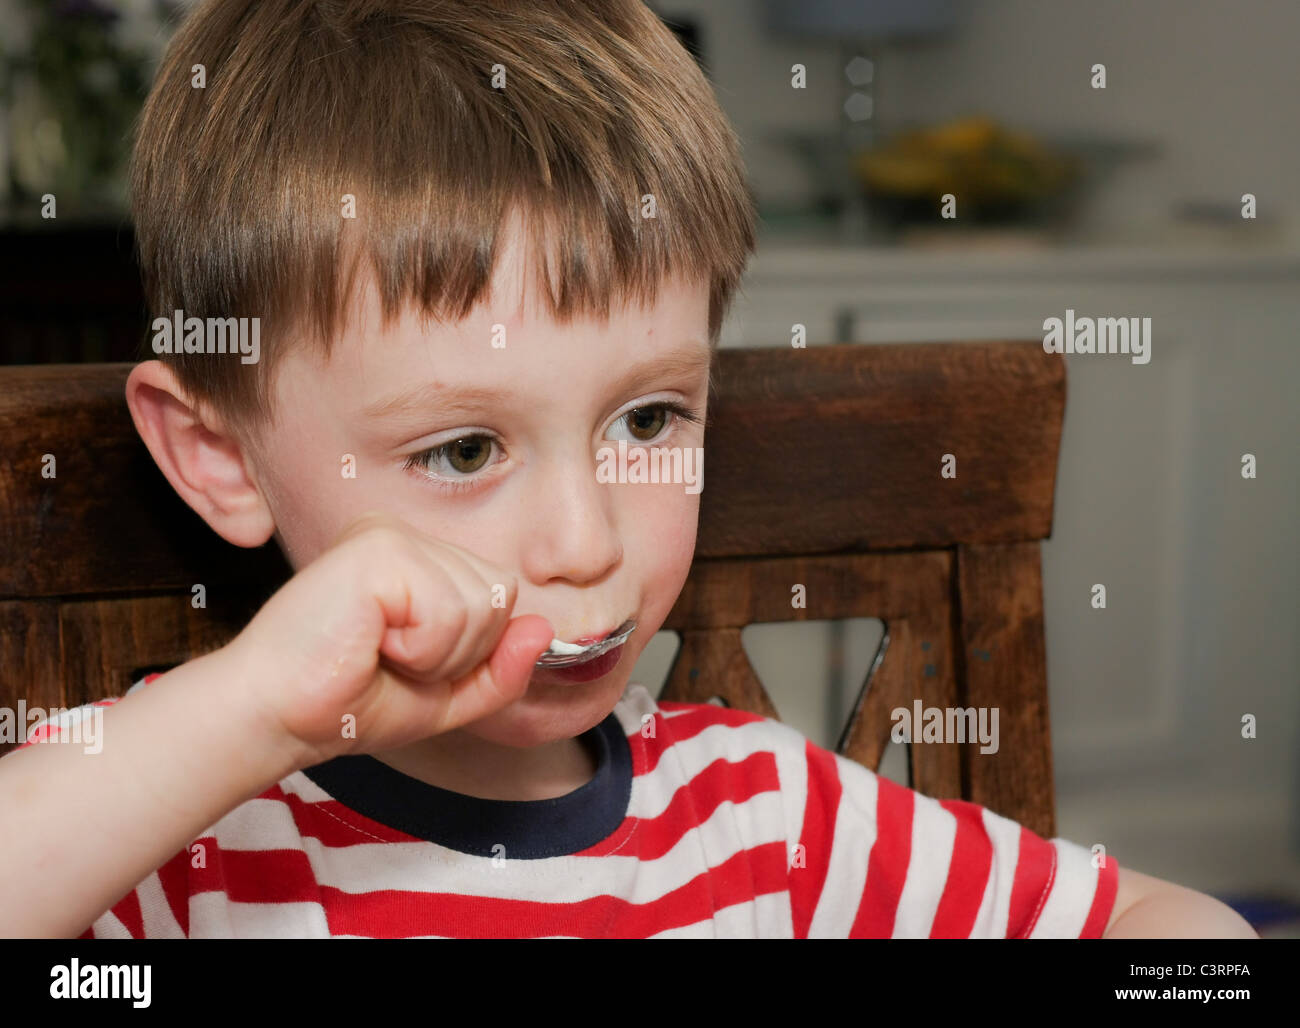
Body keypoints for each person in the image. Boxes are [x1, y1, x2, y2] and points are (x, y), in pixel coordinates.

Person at [0, 0, 1255, 939]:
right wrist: (258, 707)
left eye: (649, 419)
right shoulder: (184, 845)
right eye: (464, 448)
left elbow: (1170, 926)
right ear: (218, 454)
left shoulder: (763, 813)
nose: (586, 538)